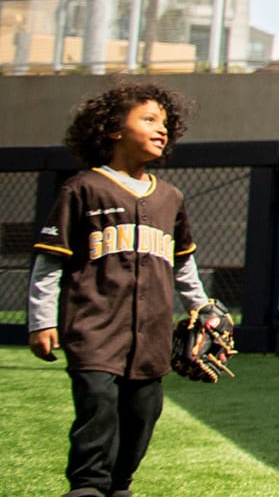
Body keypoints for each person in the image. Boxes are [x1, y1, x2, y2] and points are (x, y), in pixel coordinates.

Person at [26, 79, 212, 497]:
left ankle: (119, 485)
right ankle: (87, 487)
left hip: (152, 337)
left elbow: (183, 262)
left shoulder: (170, 198)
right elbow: (49, 263)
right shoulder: (83, 188)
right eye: (148, 119)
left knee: (145, 412)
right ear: (112, 129)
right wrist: (41, 323)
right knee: (98, 408)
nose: (161, 129)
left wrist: (202, 307)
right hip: (93, 330)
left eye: (165, 123)